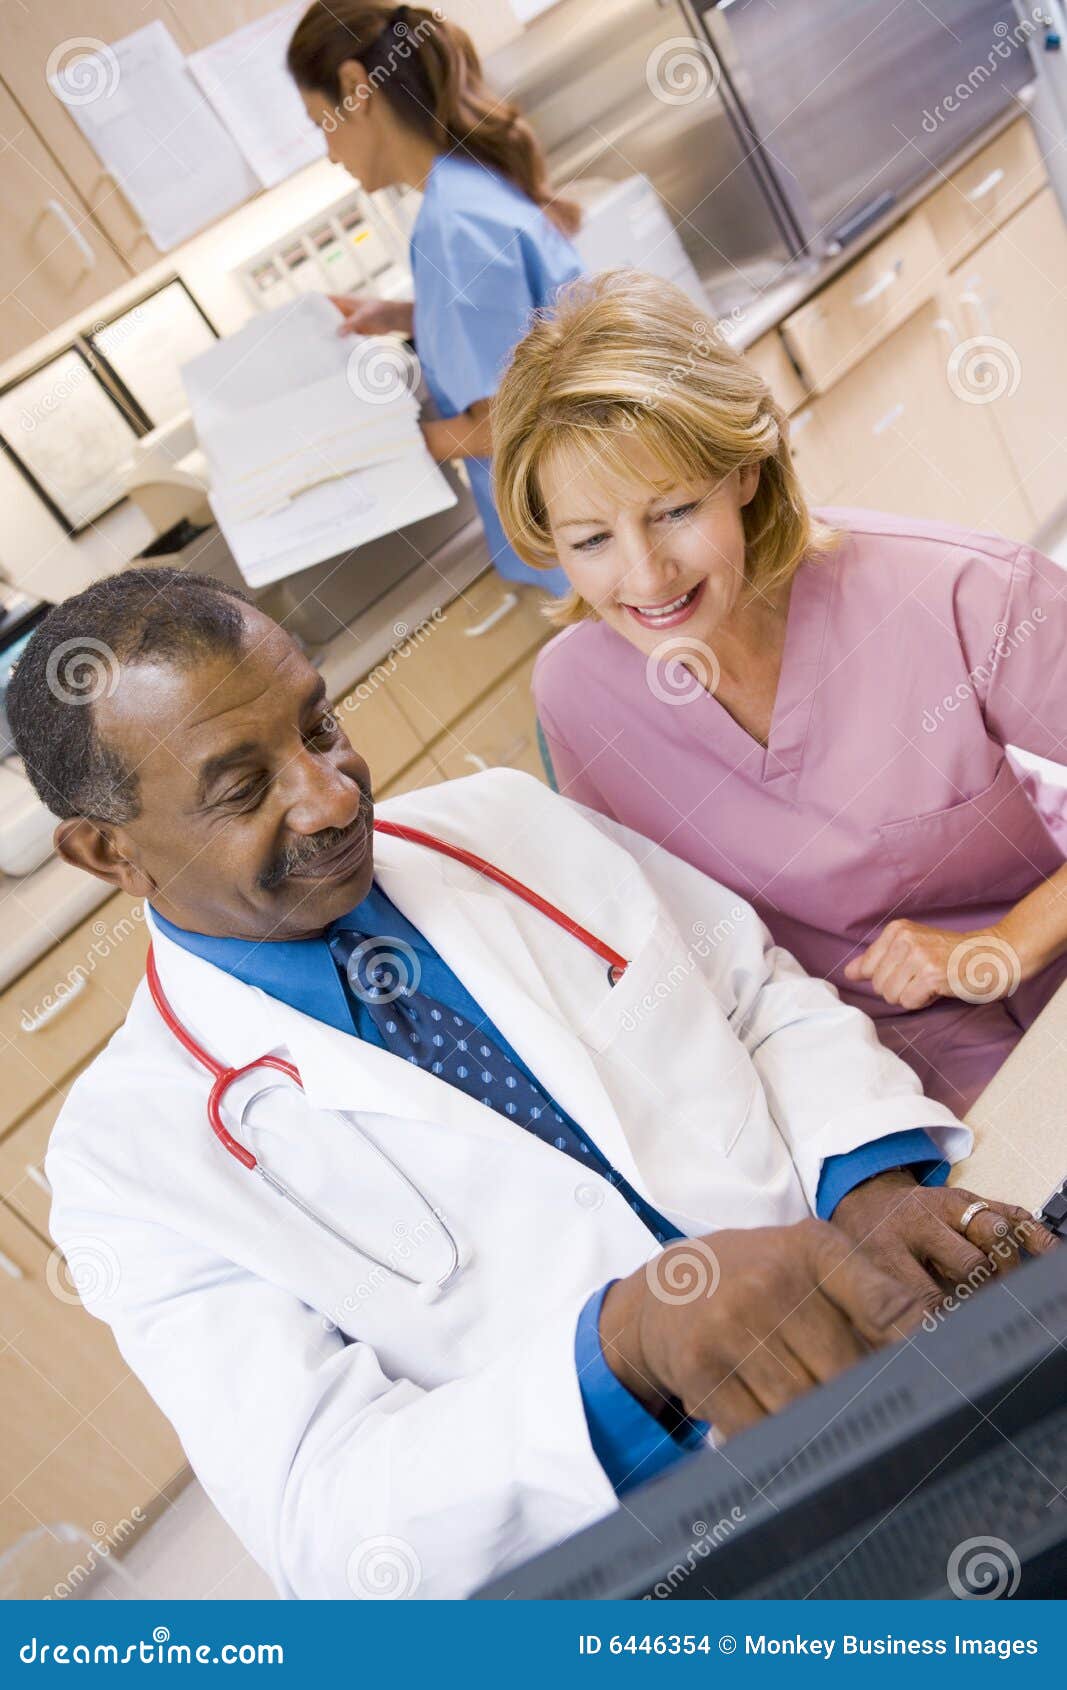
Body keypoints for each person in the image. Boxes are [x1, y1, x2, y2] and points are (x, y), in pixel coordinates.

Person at [9, 570, 1050, 1602]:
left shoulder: (503, 824)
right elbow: (326, 1524)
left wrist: (871, 1188)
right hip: (697, 1553)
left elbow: (752, 997)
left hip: (899, 1338)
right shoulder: (128, 1164)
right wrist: (631, 1343)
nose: (329, 794)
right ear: (110, 853)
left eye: (318, 725)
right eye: (243, 788)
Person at [493, 267, 1067, 1117]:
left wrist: (1006, 941)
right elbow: (654, 943)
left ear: (745, 472)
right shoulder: (577, 696)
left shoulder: (953, 591)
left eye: (674, 510)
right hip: (865, 1075)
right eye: (590, 539)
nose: (646, 575)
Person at [287, 0, 578, 595]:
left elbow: (504, 425)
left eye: (322, 122)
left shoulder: (451, 228)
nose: (329, 151)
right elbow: (524, 328)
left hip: (583, 532)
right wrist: (400, 316)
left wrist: (356, 455)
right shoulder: (471, 187)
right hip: (597, 512)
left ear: (354, 87)